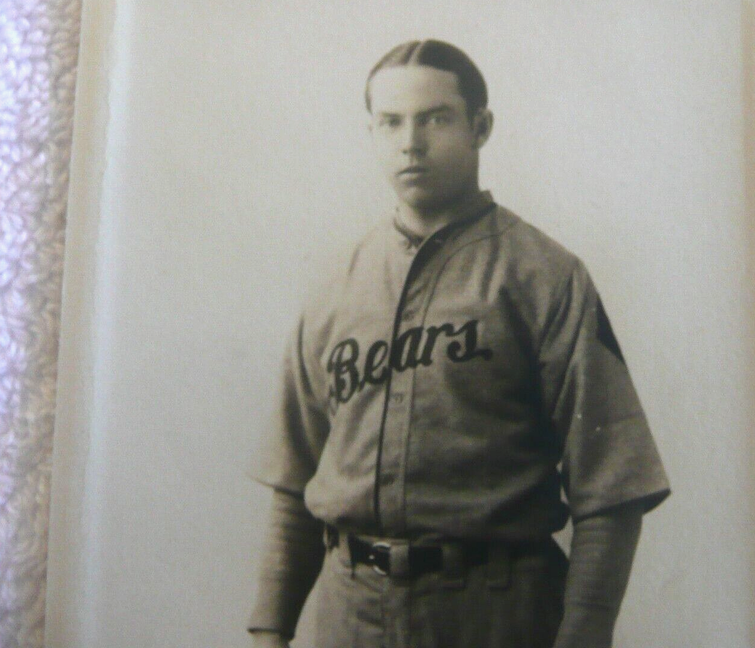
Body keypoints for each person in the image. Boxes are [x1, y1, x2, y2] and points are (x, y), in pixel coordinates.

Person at [246, 39, 670, 648]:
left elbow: (612, 492)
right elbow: (296, 482)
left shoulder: (543, 275)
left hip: (495, 610)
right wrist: (269, 630)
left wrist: (584, 636)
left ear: (480, 127)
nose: (410, 142)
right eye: (390, 122)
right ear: (371, 132)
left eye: (434, 118)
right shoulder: (337, 286)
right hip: (351, 614)